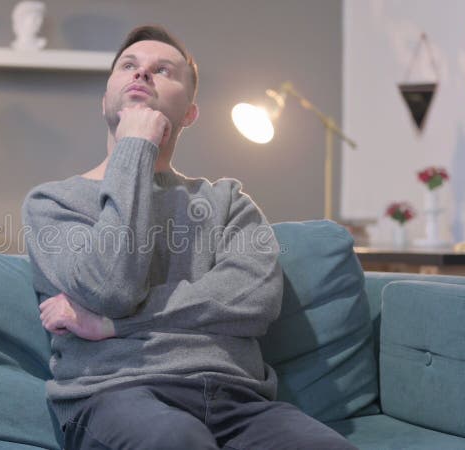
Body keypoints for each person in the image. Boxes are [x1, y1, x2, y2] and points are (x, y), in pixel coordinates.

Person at [22, 25, 357, 450]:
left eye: (163, 70)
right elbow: (109, 289)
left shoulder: (228, 201)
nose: (142, 74)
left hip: (239, 400)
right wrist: (135, 148)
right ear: (105, 99)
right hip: (117, 394)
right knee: (177, 440)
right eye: (129, 66)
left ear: (190, 114)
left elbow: (252, 300)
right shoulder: (53, 202)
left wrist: (113, 326)